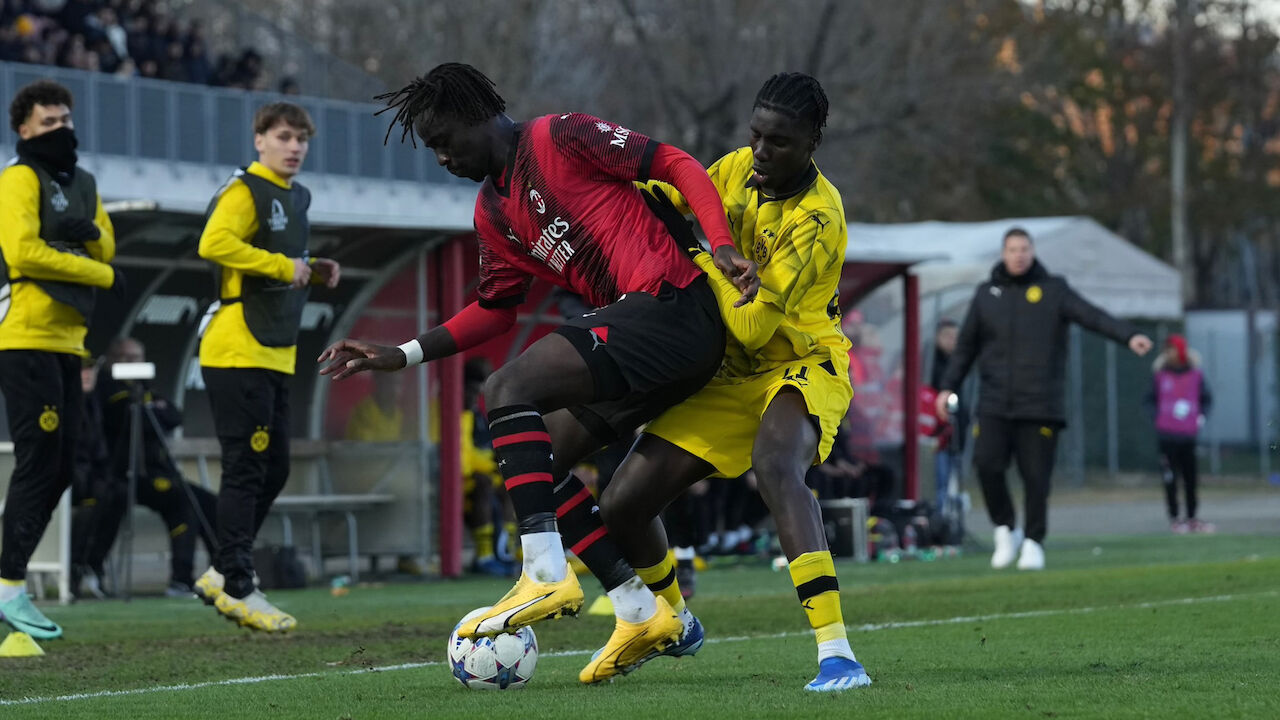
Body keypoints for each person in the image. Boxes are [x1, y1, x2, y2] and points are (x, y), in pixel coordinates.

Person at [317, 62, 757, 680]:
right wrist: (402, 353)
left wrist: (720, 243)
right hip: (645, 340)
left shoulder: (559, 136)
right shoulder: (492, 212)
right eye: (432, 149)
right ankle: (640, 610)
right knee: (536, 456)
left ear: (478, 115)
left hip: (674, 306)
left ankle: (544, 573)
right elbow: (496, 309)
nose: (441, 158)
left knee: (505, 389)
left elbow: (675, 163)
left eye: (445, 140)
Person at [592, 72, 873, 691]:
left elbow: (749, 326)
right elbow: (660, 194)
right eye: (756, 135)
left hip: (801, 365)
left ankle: (838, 655)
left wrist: (697, 251)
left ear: (813, 143)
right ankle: (675, 617)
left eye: (780, 142)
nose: (762, 153)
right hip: (729, 376)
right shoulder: (734, 169)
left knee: (775, 465)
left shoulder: (817, 219)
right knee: (622, 503)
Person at [194, 102, 341, 632]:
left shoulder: (298, 195)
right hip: (236, 349)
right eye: (283, 136)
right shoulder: (245, 190)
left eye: (302, 138)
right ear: (259, 140)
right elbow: (213, 243)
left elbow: (285, 264)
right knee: (246, 467)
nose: (295, 146)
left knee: (274, 468)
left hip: (276, 352)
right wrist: (285, 266)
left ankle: (220, 569)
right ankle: (237, 583)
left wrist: (315, 268)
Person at [935, 228, 1153, 571]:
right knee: (987, 465)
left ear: (1033, 252)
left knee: (1036, 476)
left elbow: (1093, 316)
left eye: (1025, 248)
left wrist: (1130, 337)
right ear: (1003, 253)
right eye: (1012, 249)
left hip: (1040, 404)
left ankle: (1034, 542)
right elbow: (965, 348)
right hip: (994, 402)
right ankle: (1007, 528)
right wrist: (948, 387)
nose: (1019, 255)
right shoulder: (986, 295)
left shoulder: (1054, 291)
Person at [0, 79, 122, 639]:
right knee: (37, 462)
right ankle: (8, 585)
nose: (61, 129)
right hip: (25, 337)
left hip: (69, 342)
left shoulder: (84, 182)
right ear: (23, 129)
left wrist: (90, 234)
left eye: (66, 119)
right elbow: (23, 251)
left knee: (64, 467)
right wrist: (93, 269)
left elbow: (109, 245)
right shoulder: (18, 178)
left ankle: (9, 582)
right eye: (49, 122)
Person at [94, 337, 219, 597]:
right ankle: (181, 579)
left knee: (208, 503)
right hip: (121, 475)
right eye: (126, 358)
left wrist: (147, 408)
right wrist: (148, 410)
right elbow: (130, 420)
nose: (132, 364)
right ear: (113, 359)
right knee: (182, 501)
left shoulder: (143, 387)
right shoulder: (105, 387)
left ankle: (223, 571)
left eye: (137, 358)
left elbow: (173, 415)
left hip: (157, 472)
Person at [1144, 334, 1213, 534]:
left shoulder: (1196, 375)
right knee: (1169, 478)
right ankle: (1175, 518)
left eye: (1172, 349)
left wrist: (1201, 416)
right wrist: (1158, 418)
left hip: (1187, 435)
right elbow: (1148, 400)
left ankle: (1192, 517)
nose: (1169, 353)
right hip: (1167, 436)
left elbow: (1207, 399)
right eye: (1167, 350)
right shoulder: (1159, 376)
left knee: (1190, 478)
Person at [929, 318, 966, 509]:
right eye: (948, 336)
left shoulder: (959, 364)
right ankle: (937, 522)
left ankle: (949, 521)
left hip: (954, 435)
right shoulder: (928, 365)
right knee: (938, 482)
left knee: (952, 482)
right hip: (935, 435)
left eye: (956, 337)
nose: (953, 341)